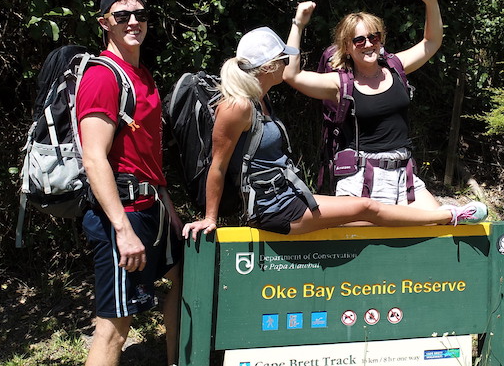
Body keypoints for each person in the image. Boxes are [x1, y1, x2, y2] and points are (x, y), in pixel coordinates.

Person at [180, 26, 487, 239]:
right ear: (268, 66)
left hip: (288, 195)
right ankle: (449, 215)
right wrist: (210, 217)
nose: (287, 65)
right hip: (271, 208)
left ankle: (446, 215)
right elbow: (217, 166)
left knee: (359, 216)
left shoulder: (261, 98)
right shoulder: (237, 106)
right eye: (282, 59)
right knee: (366, 208)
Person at [76, 0, 182, 366]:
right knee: (113, 329)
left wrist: (167, 207)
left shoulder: (139, 73)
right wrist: (122, 228)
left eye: (139, 13)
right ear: (105, 22)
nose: (132, 21)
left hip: (150, 208)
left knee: (175, 290)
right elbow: (94, 158)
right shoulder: (102, 76)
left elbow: (143, 155)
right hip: (124, 216)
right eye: (121, 15)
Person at [281, 0, 442, 207]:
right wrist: (298, 25)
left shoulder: (396, 67)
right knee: (363, 240)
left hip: (404, 174)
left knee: (437, 227)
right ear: (347, 47)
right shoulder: (340, 84)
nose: (368, 44)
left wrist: (431, 2)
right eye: (359, 40)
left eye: (373, 38)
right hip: (361, 179)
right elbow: (292, 75)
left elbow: (431, 42)